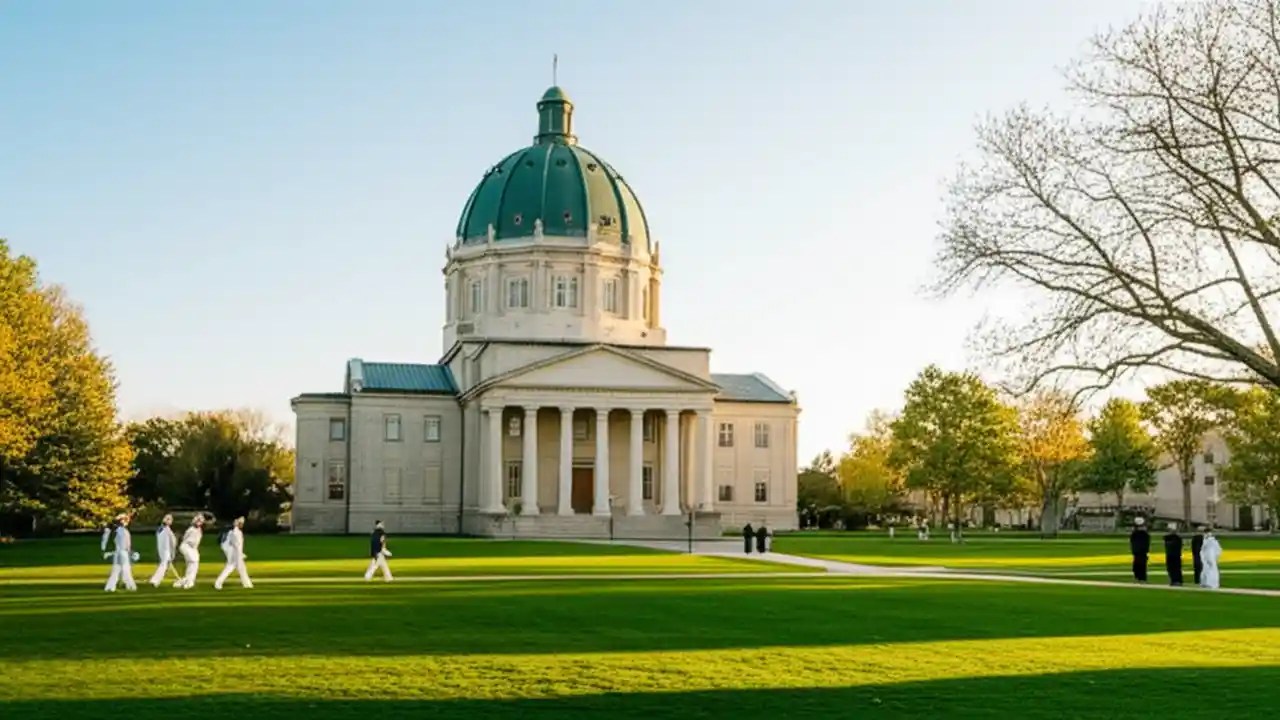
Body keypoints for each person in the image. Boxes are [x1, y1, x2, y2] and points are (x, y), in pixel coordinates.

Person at [214, 517, 253, 590]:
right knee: (230, 568)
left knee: (242, 569)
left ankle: (247, 584)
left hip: (236, 553)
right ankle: (218, 583)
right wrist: (240, 554)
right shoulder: (235, 532)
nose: (242, 525)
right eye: (241, 523)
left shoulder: (237, 532)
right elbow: (236, 545)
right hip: (234, 554)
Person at [104, 513, 137, 592]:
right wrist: (131, 553)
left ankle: (110, 587)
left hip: (117, 552)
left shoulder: (116, 531)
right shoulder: (124, 532)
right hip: (123, 553)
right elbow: (127, 545)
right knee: (126, 570)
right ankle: (131, 586)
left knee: (115, 570)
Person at [174, 515, 204, 589]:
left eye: (200, 521)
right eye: (198, 520)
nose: (199, 522)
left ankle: (186, 580)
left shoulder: (199, 530)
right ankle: (189, 581)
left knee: (194, 564)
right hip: (186, 546)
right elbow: (185, 539)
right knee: (193, 561)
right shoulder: (191, 529)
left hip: (193, 548)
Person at [148, 514, 178, 588]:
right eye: (168, 519)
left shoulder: (161, 529)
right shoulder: (165, 529)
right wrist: (172, 552)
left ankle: (156, 581)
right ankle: (154, 580)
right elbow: (173, 542)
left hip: (163, 550)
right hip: (165, 550)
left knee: (165, 566)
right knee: (163, 565)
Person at [1129, 517, 1151, 582]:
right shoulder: (1144, 534)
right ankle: (1140, 577)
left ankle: (1140, 577)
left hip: (1139, 551)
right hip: (1140, 551)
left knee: (1139, 564)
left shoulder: (1136, 534)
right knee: (1140, 564)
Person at [1163, 522, 1184, 586]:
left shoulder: (1176, 538)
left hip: (1175, 555)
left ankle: (1176, 581)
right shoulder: (1170, 538)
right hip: (1171, 555)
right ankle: (1173, 580)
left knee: (1175, 568)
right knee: (1171, 568)